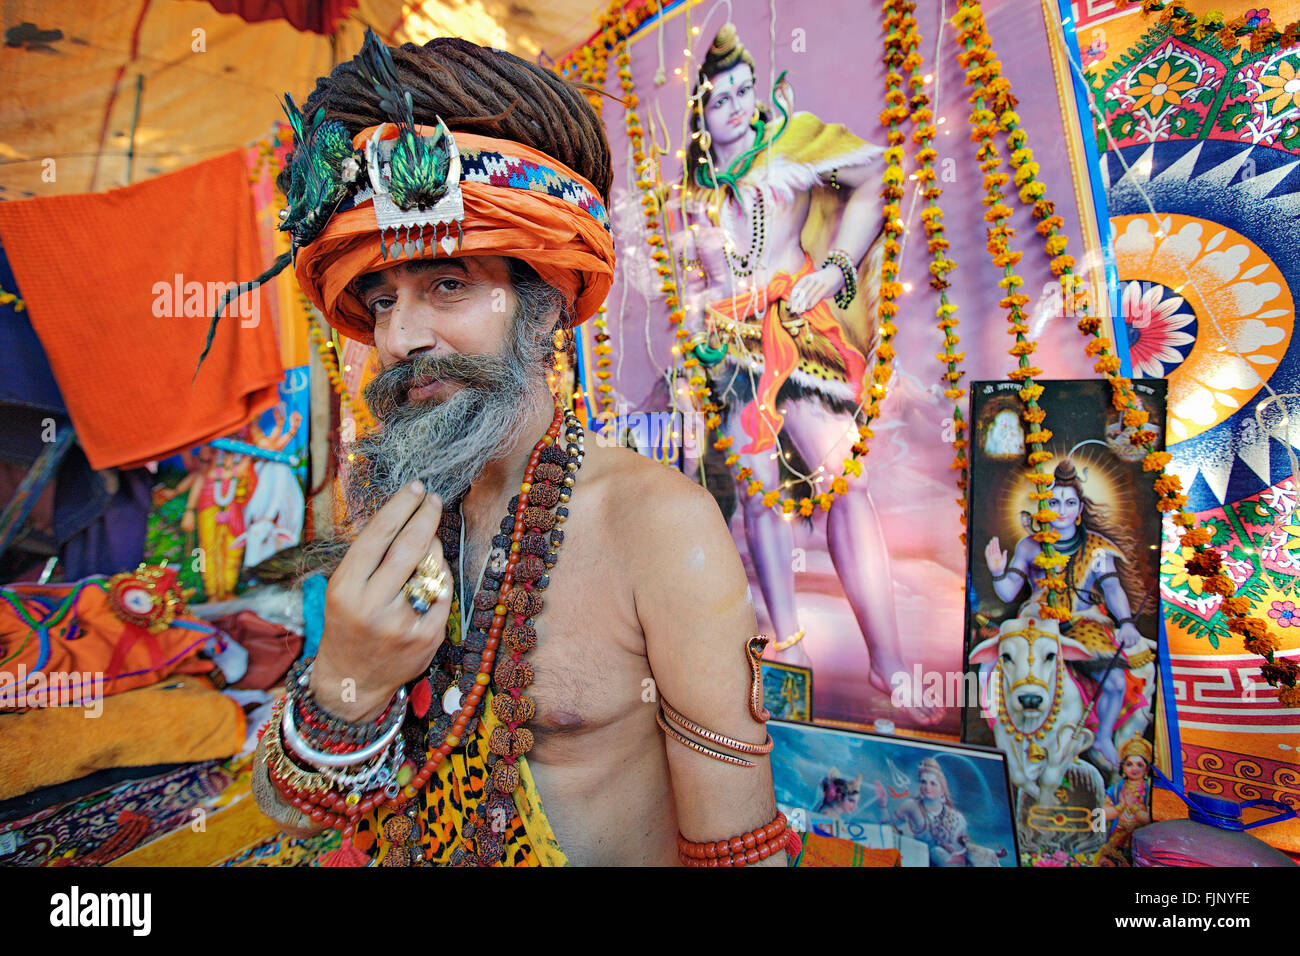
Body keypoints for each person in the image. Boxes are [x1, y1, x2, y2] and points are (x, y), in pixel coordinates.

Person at [230, 32, 788, 867]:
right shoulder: (397, 503)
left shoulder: (659, 526)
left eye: (448, 285)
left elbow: (743, 853)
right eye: (381, 300)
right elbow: (294, 811)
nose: (400, 337)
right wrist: (347, 679)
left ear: (546, 304)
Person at [674, 24, 930, 722]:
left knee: (843, 478)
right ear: (699, 111)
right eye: (718, 96)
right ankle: (787, 649)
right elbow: (699, 287)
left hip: (799, 327)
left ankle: (889, 659)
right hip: (732, 347)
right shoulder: (694, 194)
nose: (734, 105)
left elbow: (879, 177)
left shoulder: (791, 147)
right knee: (758, 494)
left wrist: (835, 267)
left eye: (743, 90)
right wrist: (695, 343)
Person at [983, 458, 1153, 770]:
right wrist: (997, 572)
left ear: (1080, 509)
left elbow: (1113, 590)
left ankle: (1101, 738)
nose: (1062, 509)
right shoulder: (1030, 546)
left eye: (1070, 502)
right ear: (1043, 506)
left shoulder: (1097, 547)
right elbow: (1008, 593)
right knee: (999, 663)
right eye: (1054, 502)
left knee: (1114, 682)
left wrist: (1126, 622)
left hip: (1083, 621)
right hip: (1037, 620)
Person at [1095, 735, 1153, 866]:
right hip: (1117, 838)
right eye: (1129, 764)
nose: (1134, 769)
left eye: (1140, 765)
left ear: (1147, 769)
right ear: (1123, 767)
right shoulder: (1117, 788)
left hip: (1141, 838)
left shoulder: (1150, 789)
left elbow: (1153, 819)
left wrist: (1134, 808)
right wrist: (1120, 807)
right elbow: (1102, 813)